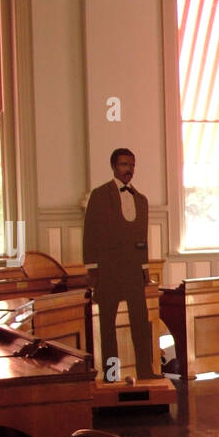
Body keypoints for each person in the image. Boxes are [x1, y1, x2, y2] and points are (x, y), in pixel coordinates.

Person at [83, 148, 157, 380]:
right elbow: (90, 234)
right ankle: (112, 374)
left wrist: (145, 270)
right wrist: (93, 270)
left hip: (134, 272)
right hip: (108, 272)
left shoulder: (141, 200)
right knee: (108, 326)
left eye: (132, 165)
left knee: (141, 324)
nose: (129, 170)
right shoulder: (99, 195)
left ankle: (145, 371)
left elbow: (142, 239)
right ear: (114, 166)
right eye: (124, 165)